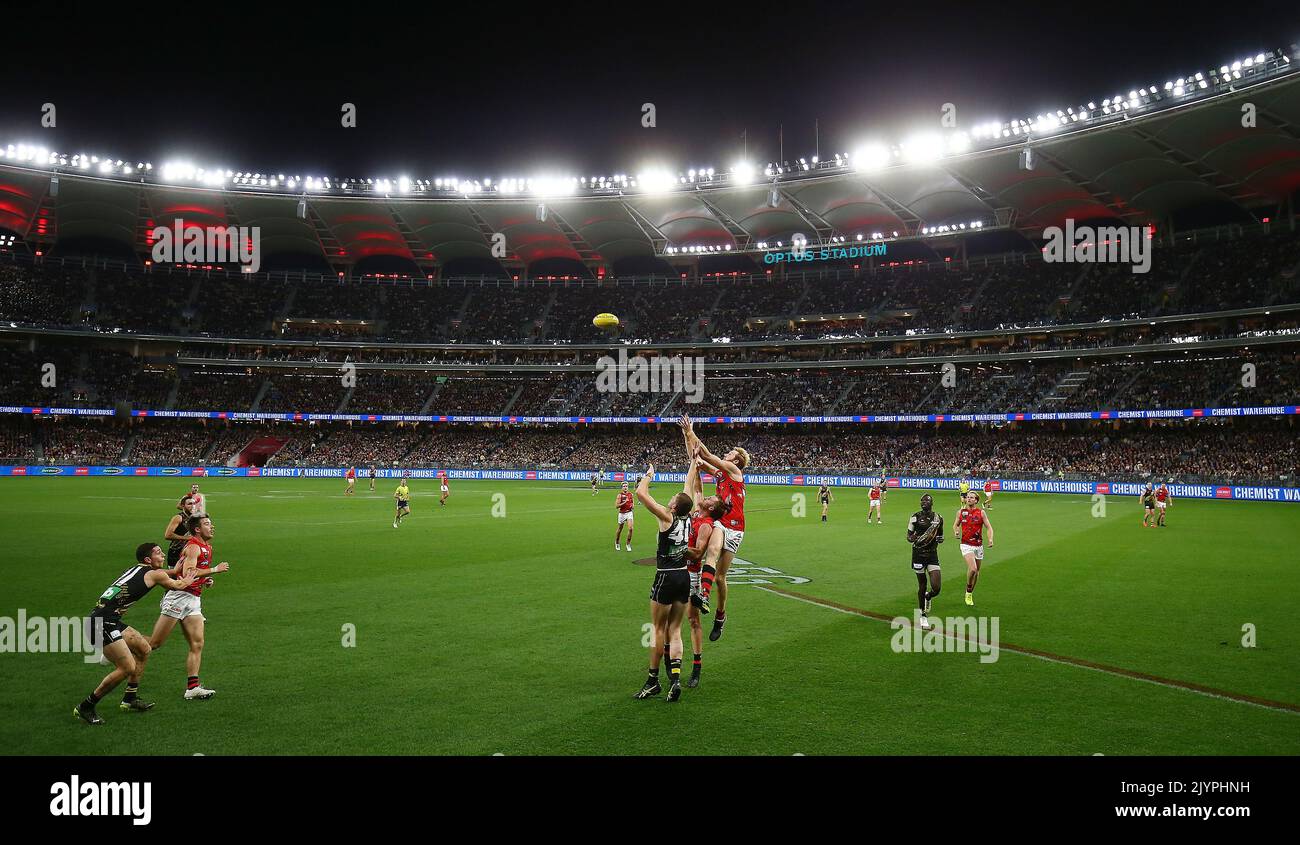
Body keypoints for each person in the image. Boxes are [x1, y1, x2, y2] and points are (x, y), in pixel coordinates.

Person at [74, 543, 198, 725]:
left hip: (105, 620)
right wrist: (190, 578)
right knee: (127, 668)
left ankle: (129, 699)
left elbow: (154, 575)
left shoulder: (137, 569)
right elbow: (178, 585)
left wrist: (173, 570)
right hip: (102, 624)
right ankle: (86, 706)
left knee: (144, 649)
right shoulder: (155, 574)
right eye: (158, 552)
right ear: (148, 560)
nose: (163, 554)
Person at [147, 515, 231, 700]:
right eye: (207, 524)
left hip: (193, 599)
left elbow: (195, 573)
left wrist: (205, 579)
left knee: (197, 643)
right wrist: (215, 570)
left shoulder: (206, 546)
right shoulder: (193, 546)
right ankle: (115, 645)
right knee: (155, 643)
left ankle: (192, 688)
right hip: (179, 598)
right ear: (198, 529)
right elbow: (188, 572)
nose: (212, 526)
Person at [681, 415, 750, 643]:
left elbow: (707, 455)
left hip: (737, 528)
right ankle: (704, 595)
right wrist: (687, 438)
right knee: (710, 553)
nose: (728, 453)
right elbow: (698, 458)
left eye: (732, 452)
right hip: (721, 523)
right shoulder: (722, 474)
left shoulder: (734, 471)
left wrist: (691, 432)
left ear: (737, 461)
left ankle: (721, 616)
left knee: (721, 577)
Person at [632, 464, 692, 702]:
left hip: (666, 576)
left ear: (675, 506)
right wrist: (693, 464)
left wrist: (648, 475)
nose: (670, 498)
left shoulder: (668, 517)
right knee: (675, 630)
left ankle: (653, 680)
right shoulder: (689, 516)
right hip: (684, 576)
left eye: (673, 498)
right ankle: (675, 679)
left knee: (658, 629)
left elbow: (641, 494)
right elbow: (688, 488)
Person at [907, 495, 944, 630]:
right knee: (922, 584)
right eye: (922, 500)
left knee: (937, 587)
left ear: (932, 503)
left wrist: (940, 540)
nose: (924, 502)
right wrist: (913, 537)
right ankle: (922, 615)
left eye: (927, 501)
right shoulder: (914, 517)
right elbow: (908, 537)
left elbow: (940, 535)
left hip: (932, 555)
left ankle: (928, 596)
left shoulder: (938, 518)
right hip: (918, 555)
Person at [954, 491, 993, 606]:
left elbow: (989, 527)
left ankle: (969, 593)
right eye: (968, 497)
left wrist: (990, 539)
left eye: (972, 497)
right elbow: (955, 524)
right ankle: (968, 590)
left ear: (976, 500)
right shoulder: (961, 512)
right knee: (973, 569)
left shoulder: (981, 513)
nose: (969, 499)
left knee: (976, 573)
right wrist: (956, 531)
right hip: (966, 545)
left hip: (978, 546)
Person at [163, 494, 197, 567]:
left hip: (190, 552)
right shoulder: (178, 518)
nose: (193, 506)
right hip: (176, 552)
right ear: (183, 506)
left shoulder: (195, 518)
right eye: (190, 504)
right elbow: (167, 535)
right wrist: (187, 538)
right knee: (175, 577)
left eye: (194, 503)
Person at [614, 482, 635, 551]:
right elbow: (616, 506)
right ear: (622, 487)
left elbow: (632, 502)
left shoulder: (630, 494)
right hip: (622, 514)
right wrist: (624, 502)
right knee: (620, 528)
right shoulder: (620, 495)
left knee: (631, 528)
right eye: (624, 486)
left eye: (626, 486)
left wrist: (632, 506)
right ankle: (617, 542)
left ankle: (628, 544)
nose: (625, 487)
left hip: (629, 513)